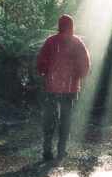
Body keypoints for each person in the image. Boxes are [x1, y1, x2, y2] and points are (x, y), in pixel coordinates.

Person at [36, 14, 90, 160]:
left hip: (52, 87)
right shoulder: (77, 42)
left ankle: (47, 148)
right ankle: (61, 149)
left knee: (50, 116)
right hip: (70, 88)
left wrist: (43, 72)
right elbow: (84, 64)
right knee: (66, 117)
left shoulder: (50, 41)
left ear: (59, 25)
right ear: (72, 26)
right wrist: (81, 74)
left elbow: (42, 60)